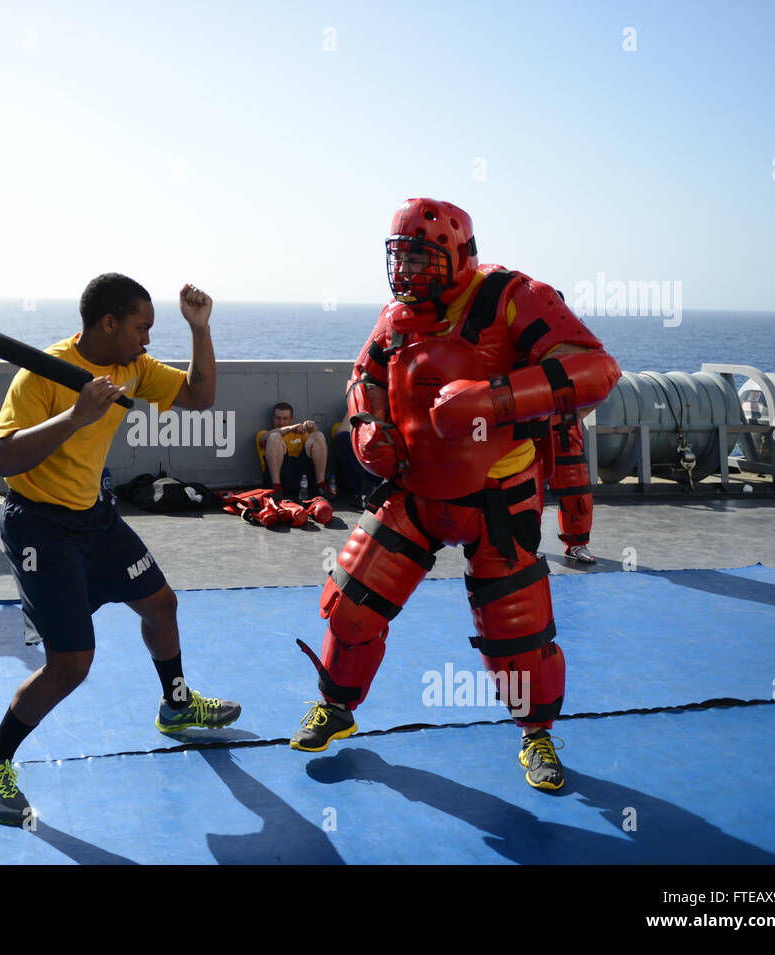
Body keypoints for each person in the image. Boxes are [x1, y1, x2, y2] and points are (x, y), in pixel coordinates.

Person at [288, 198, 620, 791]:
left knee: (517, 637)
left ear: (460, 251)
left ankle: (537, 737)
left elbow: (596, 371)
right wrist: (366, 427)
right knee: (351, 604)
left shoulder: (512, 297)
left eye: (422, 256)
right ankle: (336, 708)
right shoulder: (397, 316)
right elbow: (364, 377)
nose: (409, 271)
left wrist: (493, 397)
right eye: (401, 257)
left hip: (498, 498)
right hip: (413, 491)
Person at [0, 273, 240, 825]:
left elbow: (200, 397)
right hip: (39, 526)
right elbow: (5, 461)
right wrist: (77, 415)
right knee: (71, 665)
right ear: (108, 323)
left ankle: (177, 704)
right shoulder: (41, 374)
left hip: (96, 517)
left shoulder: (132, 368)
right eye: (141, 328)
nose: (146, 340)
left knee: (161, 605)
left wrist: (200, 329)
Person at [256, 402, 332, 499]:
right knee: (275, 437)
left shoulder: (300, 434)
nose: (282, 422)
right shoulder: (265, 433)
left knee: (318, 435)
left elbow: (317, 444)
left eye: (285, 418)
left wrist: (312, 427)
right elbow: (262, 439)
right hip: (281, 477)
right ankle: (276, 487)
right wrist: (290, 428)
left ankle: (321, 484)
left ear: (292, 419)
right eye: (278, 418)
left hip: (303, 478)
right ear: (273, 418)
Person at [550, 417, 596, 562]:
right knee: (518, 491)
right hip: (521, 414)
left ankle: (577, 545)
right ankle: (522, 548)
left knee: (577, 491)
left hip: (562, 423)